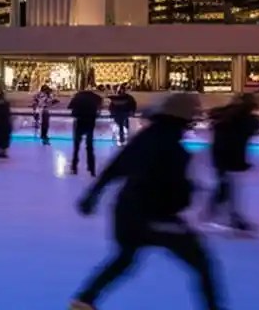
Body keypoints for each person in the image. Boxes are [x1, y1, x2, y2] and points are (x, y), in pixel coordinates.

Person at [70, 93, 223, 310]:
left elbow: (115, 167)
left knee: (124, 258)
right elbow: (175, 193)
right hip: (152, 218)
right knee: (201, 262)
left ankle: (84, 300)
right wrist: (187, 194)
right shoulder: (173, 149)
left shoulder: (143, 139)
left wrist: (92, 195)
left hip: (125, 213)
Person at [205, 93, 259, 233]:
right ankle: (227, 216)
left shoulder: (230, 117)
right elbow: (234, 139)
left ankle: (217, 213)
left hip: (224, 157)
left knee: (226, 186)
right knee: (227, 186)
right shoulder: (241, 119)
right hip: (228, 158)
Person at [68, 85, 104, 177]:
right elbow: (100, 107)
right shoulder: (96, 97)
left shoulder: (77, 97)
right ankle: (92, 169)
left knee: (76, 147)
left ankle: (74, 167)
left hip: (79, 123)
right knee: (90, 148)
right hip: (90, 123)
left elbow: (70, 107)